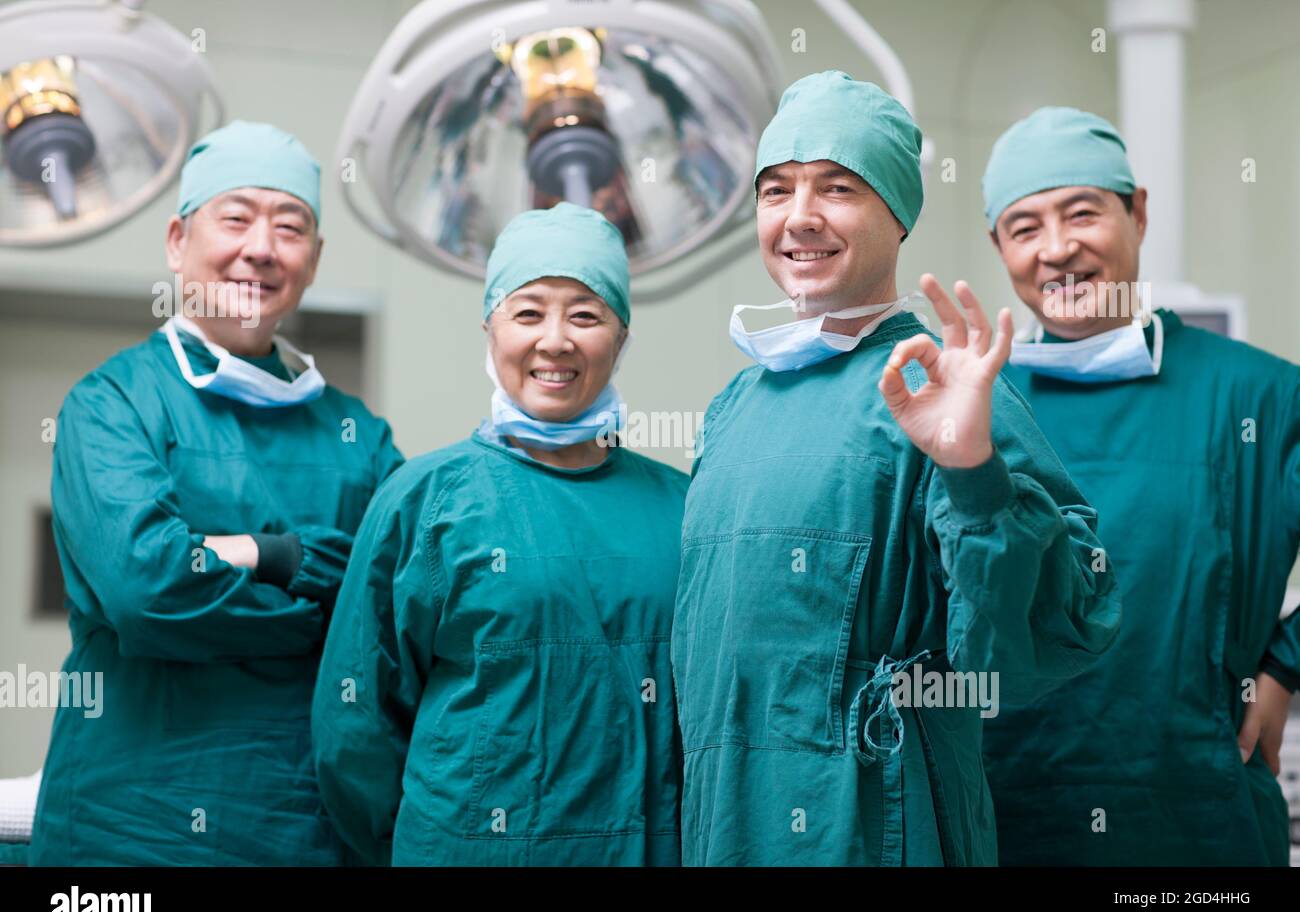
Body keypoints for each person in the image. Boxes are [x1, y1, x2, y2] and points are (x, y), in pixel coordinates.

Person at [670, 71, 1121, 866]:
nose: (800, 217)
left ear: (899, 215)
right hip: (729, 827)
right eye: (776, 192)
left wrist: (974, 472)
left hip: (876, 829)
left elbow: (1041, 646)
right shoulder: (733, 407)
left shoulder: (941, 387)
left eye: (838, 188)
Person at [29, 121, 404, 865]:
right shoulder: (113, 404)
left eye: (289, 226)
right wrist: (304, 570)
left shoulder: (361, 438)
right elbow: (146, 591)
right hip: (126, 837)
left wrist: (254, 556)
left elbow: (388, 615)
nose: (261, 248)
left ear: (314, 258)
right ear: (177, 242)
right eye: (234, 218)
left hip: (305, 828)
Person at [312, 203, 688, 866]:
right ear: (490, 330)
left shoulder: (683, 508)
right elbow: (357, 726)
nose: (555, 340)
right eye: (528, 312)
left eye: (585, 313)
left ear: (621, 337)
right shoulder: (425, 501)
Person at [979, 107, 1299, 865]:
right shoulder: (975, 406)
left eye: (1082, 212)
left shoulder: (1259, 396)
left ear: (1139, 213)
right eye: (1024, 228)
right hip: (1008, 808)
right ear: (1000, 249)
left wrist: (1285, 671)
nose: (1057, 249)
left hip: (1195, 816)